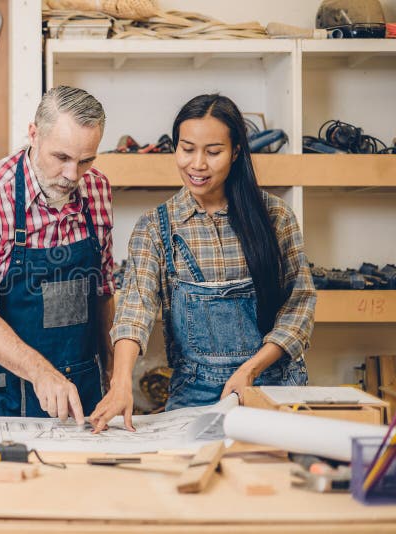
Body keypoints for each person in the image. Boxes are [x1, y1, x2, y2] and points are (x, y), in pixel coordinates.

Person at [91, 94, 316, 432]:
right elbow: (134, 308)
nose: (197, 164)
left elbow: (299, 306)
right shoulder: (156, 226)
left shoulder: (275, 216)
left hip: (271, 383)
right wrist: (120, 380)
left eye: (213, 152)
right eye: (187, 149)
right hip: (194, 390)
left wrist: (250, 370)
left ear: (236, 151)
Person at [0, 86, 116, 424]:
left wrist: (110, 366)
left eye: (86, 160)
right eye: (61, 157)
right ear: (34, 134)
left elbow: (103, 288)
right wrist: (41, 372)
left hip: (77, 393)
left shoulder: (96, 188)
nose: (72, 175)